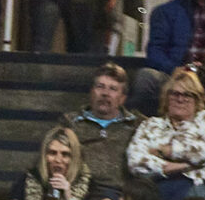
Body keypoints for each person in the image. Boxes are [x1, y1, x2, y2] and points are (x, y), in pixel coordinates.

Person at [125, 68, 205, 200]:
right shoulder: (151, 124)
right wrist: (175, 167)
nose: (180, 99)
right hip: (156, 183)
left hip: (196, 186)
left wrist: (166, 151)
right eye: (175, 93)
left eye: (187, 95)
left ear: (197, 99)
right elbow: (135, 160)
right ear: (166, 96)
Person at [58, 63, 146, 193]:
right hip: (78, 190)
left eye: (113, 89)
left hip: (119, 193)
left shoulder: (137, 124)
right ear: (91, 92)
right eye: (100, 87)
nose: (105, 93)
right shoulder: (70, 121)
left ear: (122, 98)